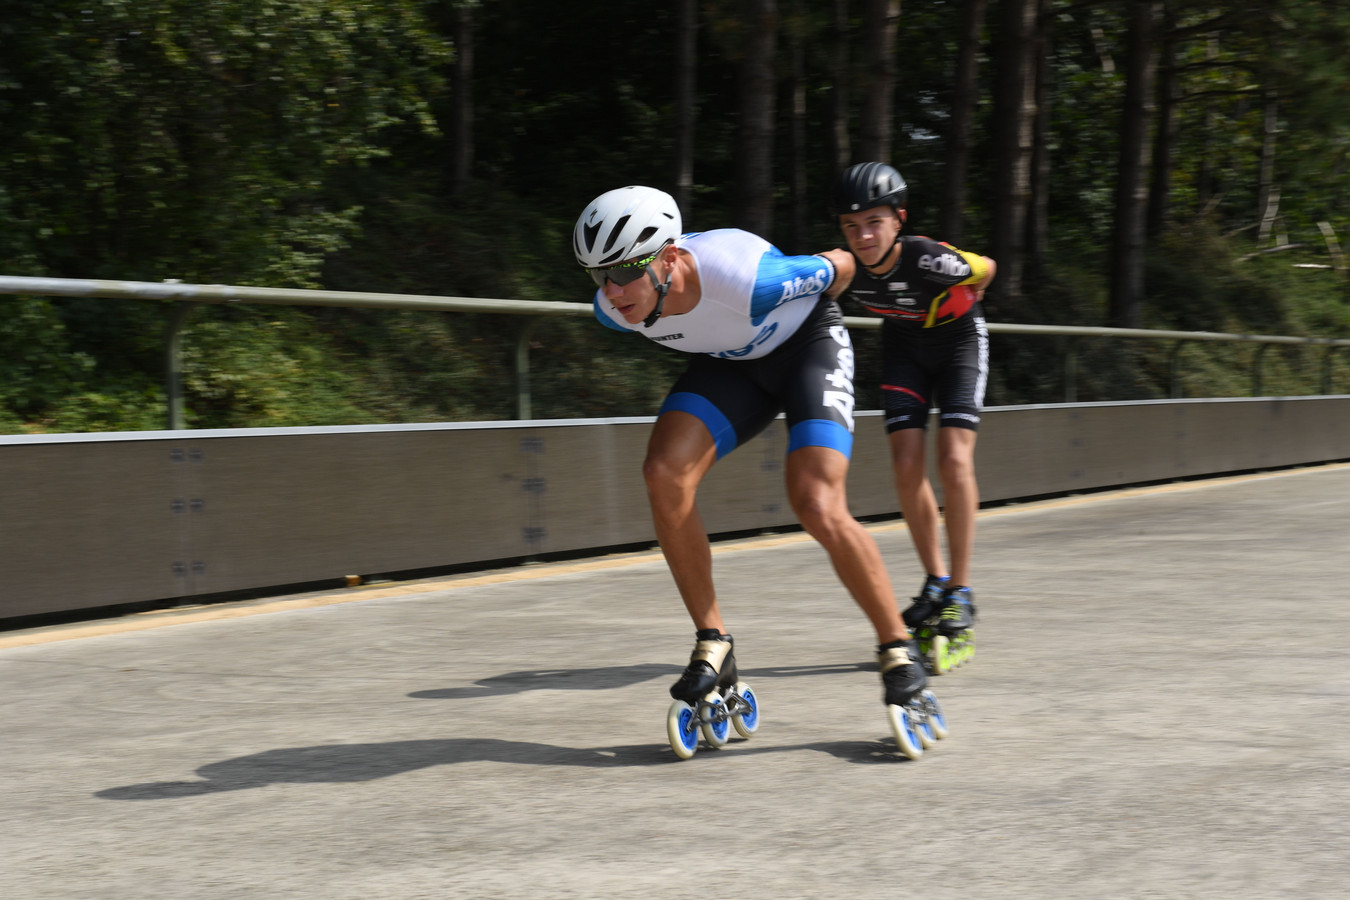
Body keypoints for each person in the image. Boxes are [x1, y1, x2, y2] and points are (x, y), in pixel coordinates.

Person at [573, 184, 927, 714]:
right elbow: (650, 308)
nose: (612, 290)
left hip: (807, 346)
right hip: (731, 364)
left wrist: (804, 313)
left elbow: (844, 265)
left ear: (669, 258)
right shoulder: (611, 305)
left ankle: (897, 648)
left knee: (817, 502)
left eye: (624, 272)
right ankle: (713, 641)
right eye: (598, 274)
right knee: (664, 474)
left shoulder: (751, 281)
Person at [824, 162, 996, 661]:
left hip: (960, 341)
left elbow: (987, 265)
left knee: (954, 461)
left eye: (874, 222)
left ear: (899, 219)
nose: (863, 236)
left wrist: (980, 282)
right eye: (852, 227)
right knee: (904, 465)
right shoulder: (848, 270)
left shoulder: (928, 258)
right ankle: (937, 581)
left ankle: (961, 591)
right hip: (904, 348)